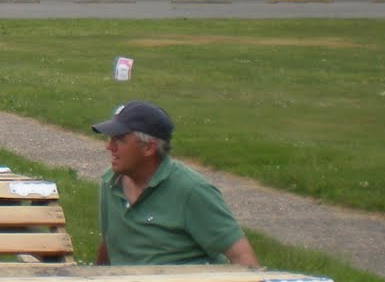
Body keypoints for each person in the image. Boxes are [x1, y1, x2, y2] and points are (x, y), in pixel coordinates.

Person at [91, 101, 259, 268]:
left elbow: (242, 257)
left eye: (119, 140)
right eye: (109, 138)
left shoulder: (192, 190)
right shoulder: (110, 182)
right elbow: (110, 241)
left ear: (149, 148)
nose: (109, 146)